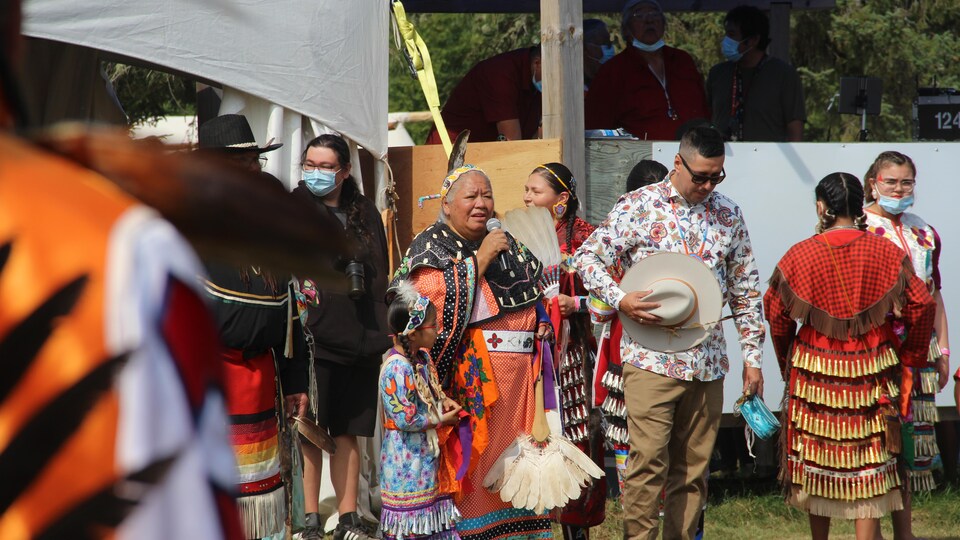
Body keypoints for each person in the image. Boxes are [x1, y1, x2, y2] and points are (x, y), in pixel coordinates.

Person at [575, 126, 764, 538]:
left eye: (717, 176)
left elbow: (746, 290)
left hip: (707, 363)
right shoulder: (639, 206)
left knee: (695, 472)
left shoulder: (728, 213)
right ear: (678, 163)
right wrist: (620, 298)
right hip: (650, 359)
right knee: (646, 465)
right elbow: (587, 257)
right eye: (701, 176)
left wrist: (753, 360)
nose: (709, 185)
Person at [765, 172, 936, 540]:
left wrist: (787, 360)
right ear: (860, 206)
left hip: (815, 369)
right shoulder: (886, 251)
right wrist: (911, 355)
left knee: (816, 457)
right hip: (871, 365)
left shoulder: (800, 253)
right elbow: (922, 303)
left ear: (821, 207)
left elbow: (776, 312)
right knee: (870, 462)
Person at [391, 165, 554, 539]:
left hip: (519, 391)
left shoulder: (507, 241)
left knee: (519, 466)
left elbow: (533, 289)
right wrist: (478, 261)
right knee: (476, 468)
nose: (482, 204)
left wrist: (540, 321)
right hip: (470, 389)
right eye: (471, 196)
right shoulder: (431, 245)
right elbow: (425, 305)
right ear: (447, 205)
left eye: (488, 196)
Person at [197, 114, 310, 539]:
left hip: (261, 379)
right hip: (208, 381)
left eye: (253, 162)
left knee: (261, 502)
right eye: (240, 163)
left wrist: (296, 382)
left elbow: (290, 316)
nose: (252, 171)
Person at [292, 134, 392, 540]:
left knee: (351, 429)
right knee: (311, 428)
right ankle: (311, 520)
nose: (315, 173)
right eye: (309, 165)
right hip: (315, 336)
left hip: (362, 334)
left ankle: (349, 518)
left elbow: (381, 270)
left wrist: (384, 329)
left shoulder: (364, 210)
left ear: (345, 171)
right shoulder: (295, 209)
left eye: (325, 167)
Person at [861, 151, 949, 537]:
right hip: (876, 349)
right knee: (877, 440)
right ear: (873, 182)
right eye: (891, 181)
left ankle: (905, 532)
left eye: (906, 182)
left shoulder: (924, 231)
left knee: (909, 440)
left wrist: (943, 349)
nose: (898, 188)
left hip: (920, 349)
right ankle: (872, 531)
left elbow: (935, 296)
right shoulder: (860, 227)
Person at [523, 163, 605, 539]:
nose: (527, 198)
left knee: (574, 439)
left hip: (573, 357)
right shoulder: (517, 238)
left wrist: (580, 303)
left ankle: (577, 530)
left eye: (535, 192)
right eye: (526, 190)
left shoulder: (589, 239)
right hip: (530, 354)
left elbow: (612, 297)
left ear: (562, 200)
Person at [378, 282, 463, 540]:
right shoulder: (396, 369)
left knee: (433, 522)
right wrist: (440, 418)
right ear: (413, 332)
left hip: (425, 458)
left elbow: (429, 394)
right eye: (434, 325)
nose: (439, 330)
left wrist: (443, 401)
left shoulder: (422, 358)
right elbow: (405, 418)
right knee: (413, 527)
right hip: (405, 462)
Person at [585, 0, 709, 141]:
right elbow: (594, 130)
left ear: (663, 24)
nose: (649, 20)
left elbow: (704, 112)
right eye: (639, 15)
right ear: (626, 29)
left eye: (654, 14)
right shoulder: (612, 71)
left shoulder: (683, 61)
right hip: (639, 158)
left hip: (693, 153)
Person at [706, 5, 804, 142]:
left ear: (753, 40)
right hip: (722, 159)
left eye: (732, 35)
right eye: (726, 34)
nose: (726, 40)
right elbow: (706, 117)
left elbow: (795, 126)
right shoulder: (717, 73)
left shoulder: (783, 74)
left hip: (768, 159)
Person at [426, 47, 543, 143]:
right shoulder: (501, 74)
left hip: (483, 157)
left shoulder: (538, 83)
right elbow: (512, 143)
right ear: (537, 64)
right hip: (448, 155)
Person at [583, 19, 614, 90]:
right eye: (604, 42)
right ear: (584, 47)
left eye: (610, 42)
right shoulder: (572, 88)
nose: (611, 48)